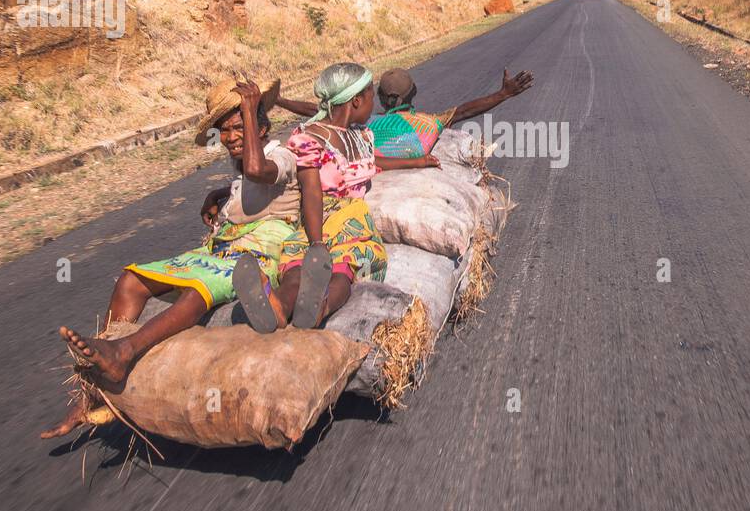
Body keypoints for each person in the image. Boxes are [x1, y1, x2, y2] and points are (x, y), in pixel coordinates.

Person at [43, 78, 298, 439]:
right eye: (223, 131)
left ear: (263, 125)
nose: (231, 137)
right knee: (130, 281)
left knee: (199, 287)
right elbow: (249, 184)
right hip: (222, 248)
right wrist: (221, 193)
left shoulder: (281, 154)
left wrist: (250, 111)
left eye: (240, 126)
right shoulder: (242, 168)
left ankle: (123, 351)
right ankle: (91, 388)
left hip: (261, 251)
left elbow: (262, 172)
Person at [233, 62, 437, 333]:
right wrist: (317, 242)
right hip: (320, 219)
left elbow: (373, 161)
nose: (373, 105)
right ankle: (278, 307)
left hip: (345, 218)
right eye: (369, 98)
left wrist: (417, 161)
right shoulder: (309, 138)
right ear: (356, 101)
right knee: (302, 269)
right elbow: (312, 190)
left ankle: (317, 307)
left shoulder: (361, 136)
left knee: (341, 271)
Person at [276, 65, 534, 159]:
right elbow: (465, 111)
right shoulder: (427, 124)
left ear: (380, 99)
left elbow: (319, 109)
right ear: (410, 95)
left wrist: (280, 100)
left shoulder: (367, 125)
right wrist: (503, 94)